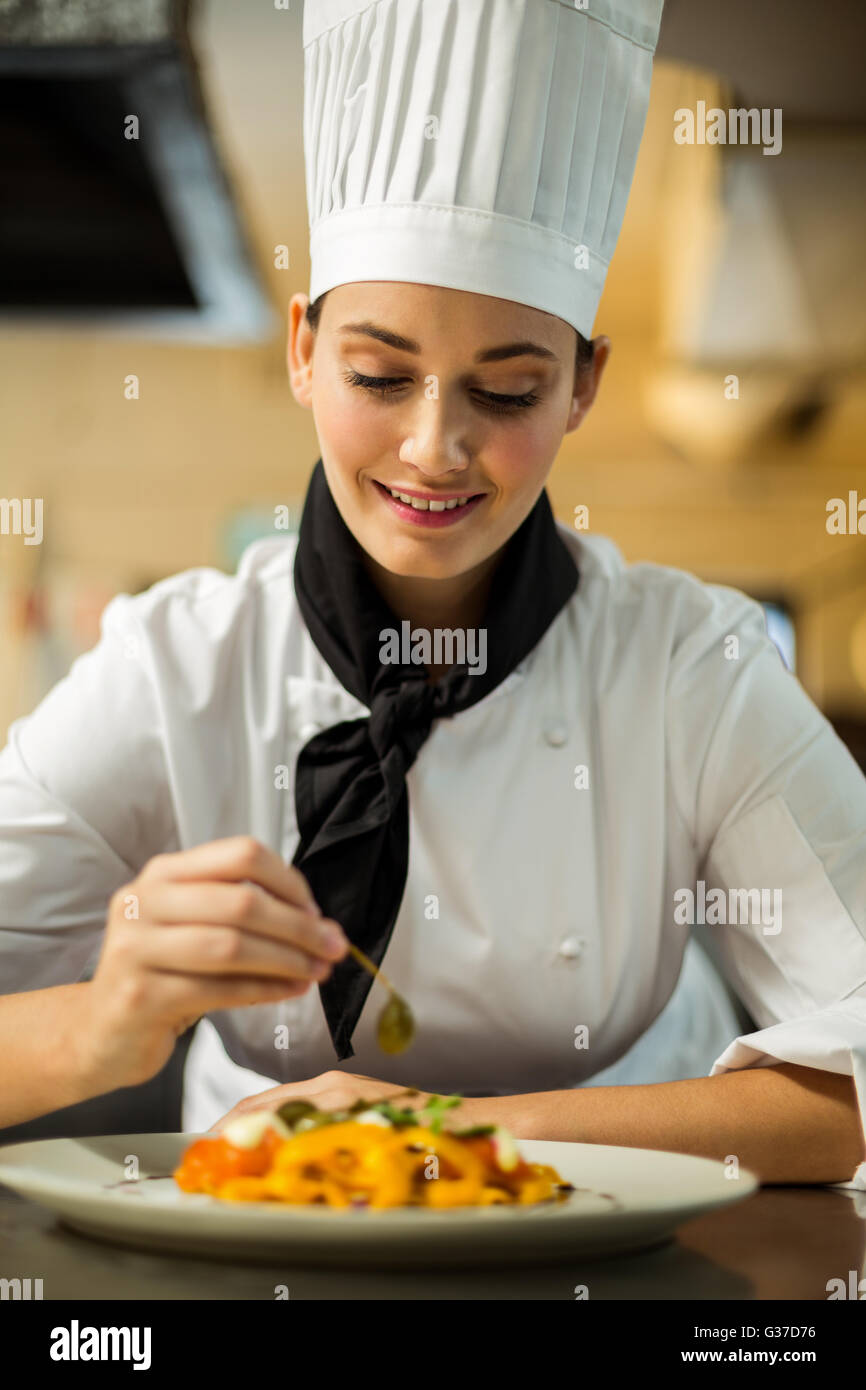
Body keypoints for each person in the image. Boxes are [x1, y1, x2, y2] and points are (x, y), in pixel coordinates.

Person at [0, 0, 864, 1189]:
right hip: (258, 1234)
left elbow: (852, 1085)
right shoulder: (175, 667)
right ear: (303, 348)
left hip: (619, 1220)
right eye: (377, 373)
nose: (433, 448)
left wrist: (444, 1140)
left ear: (580, 386)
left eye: (506, 392)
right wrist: (101, 1019)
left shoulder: (689, 667)